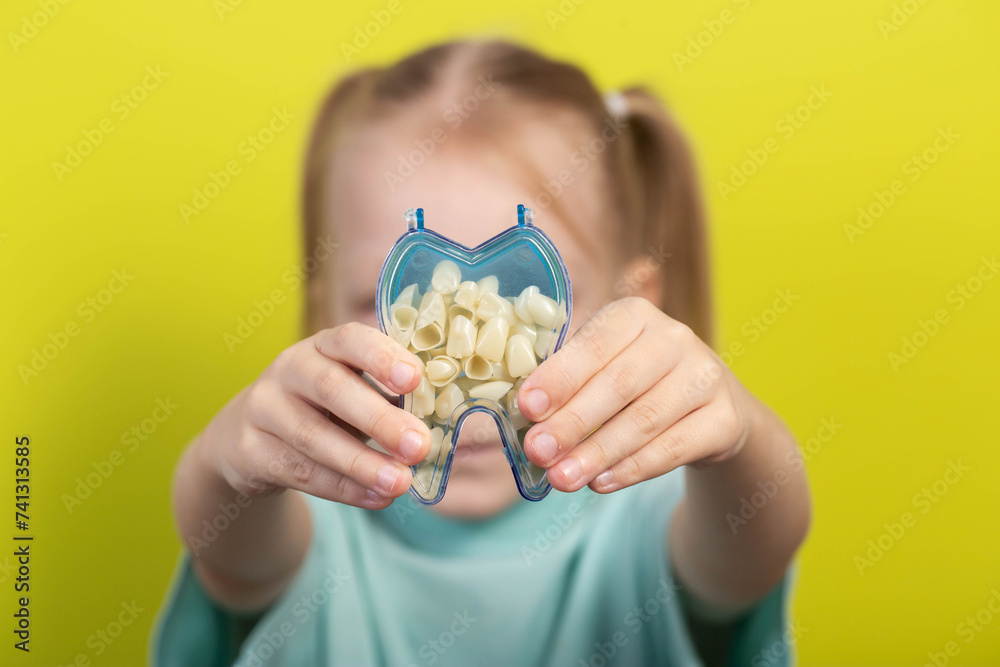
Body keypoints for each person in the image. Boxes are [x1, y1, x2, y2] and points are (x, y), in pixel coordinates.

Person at [153, 39, 811, 666]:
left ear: (635, 309)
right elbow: (230, 549)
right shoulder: (311, 515)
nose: (474, 376)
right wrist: (226, 464)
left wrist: (740, 440)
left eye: (524, 297)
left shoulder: (648, 512)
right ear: (324, 310)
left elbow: (753, 546)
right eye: (394, 300)